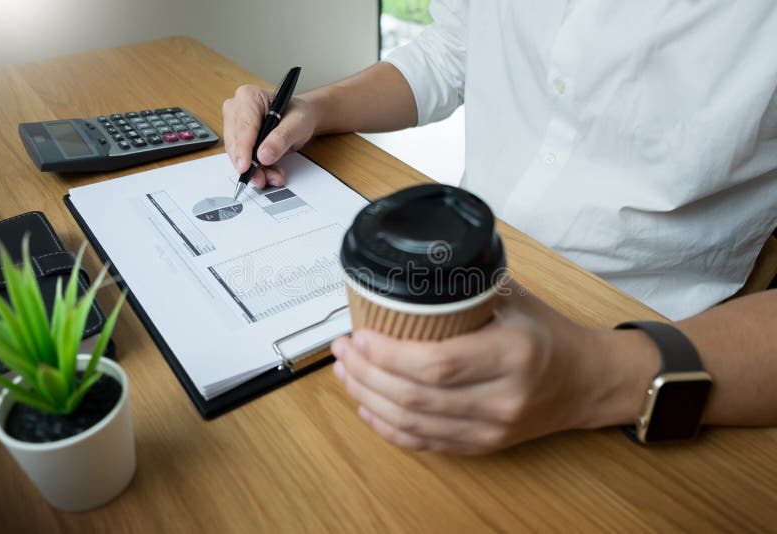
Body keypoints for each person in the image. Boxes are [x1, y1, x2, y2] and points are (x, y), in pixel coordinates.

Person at [223, 1, 777, 454]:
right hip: (462, 275)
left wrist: (596, 377)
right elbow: (452, 52)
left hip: (652, 348)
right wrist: (319, 108)